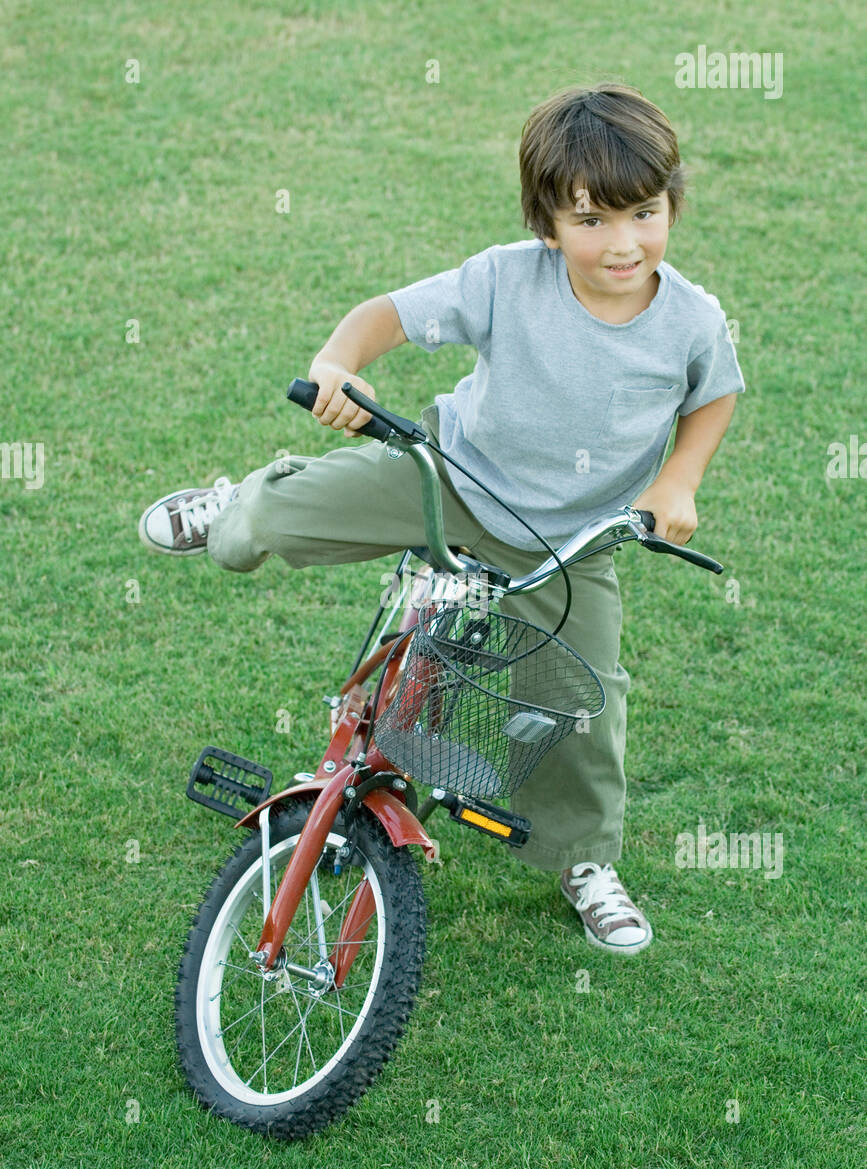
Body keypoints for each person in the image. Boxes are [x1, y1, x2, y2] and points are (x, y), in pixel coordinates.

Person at [138, 81, 745, 956]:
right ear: (546, 225)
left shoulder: (689, 318)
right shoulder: (505, 277)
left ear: (670, 204)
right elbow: (385, 316)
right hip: (449, 479)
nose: (623, 244)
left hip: (565, 540)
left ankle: (582, 861)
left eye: (643, 215)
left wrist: (679, 480)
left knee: (581, 703)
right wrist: (339, 363)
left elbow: (714, 396)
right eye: (591, 223)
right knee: (269, 523)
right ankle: (235, 503)